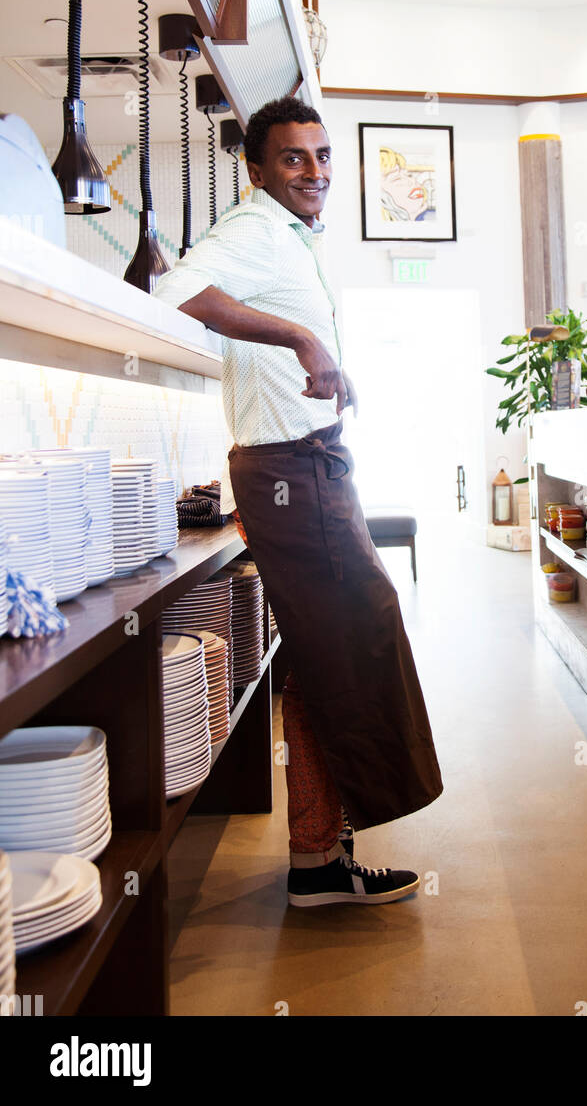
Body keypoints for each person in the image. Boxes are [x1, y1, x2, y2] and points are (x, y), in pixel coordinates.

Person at [153, 94, 443, 907]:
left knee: (331, 654)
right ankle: (323, 855)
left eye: (321, 157)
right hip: (289, 472)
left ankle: (320, 854)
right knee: (363, 629)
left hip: (309, 464)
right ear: (258, 169)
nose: (313, 172)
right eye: (293, 158)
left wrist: (326, 363)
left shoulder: (288, 239)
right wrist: (301, 339)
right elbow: (175, 294)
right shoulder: (252, 229)